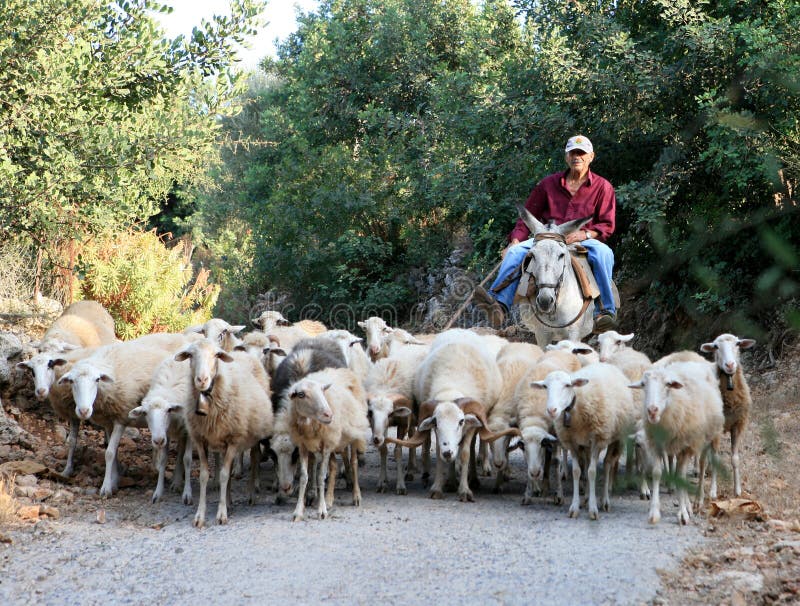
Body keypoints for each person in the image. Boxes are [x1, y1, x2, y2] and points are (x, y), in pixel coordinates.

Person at [474, 135, 618, 333]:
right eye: (573, 153)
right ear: (566, 156)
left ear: (591, 156)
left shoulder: (603, 187)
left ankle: (604, 311)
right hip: (546, 236)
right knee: (516, 254)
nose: (577, 157)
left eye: (581, 153)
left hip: (582, 239)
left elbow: (606, 225)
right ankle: (499, 305)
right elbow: (527, 216)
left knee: (604, 254)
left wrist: (583, 235)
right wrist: (515, 240)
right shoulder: (547, 185)